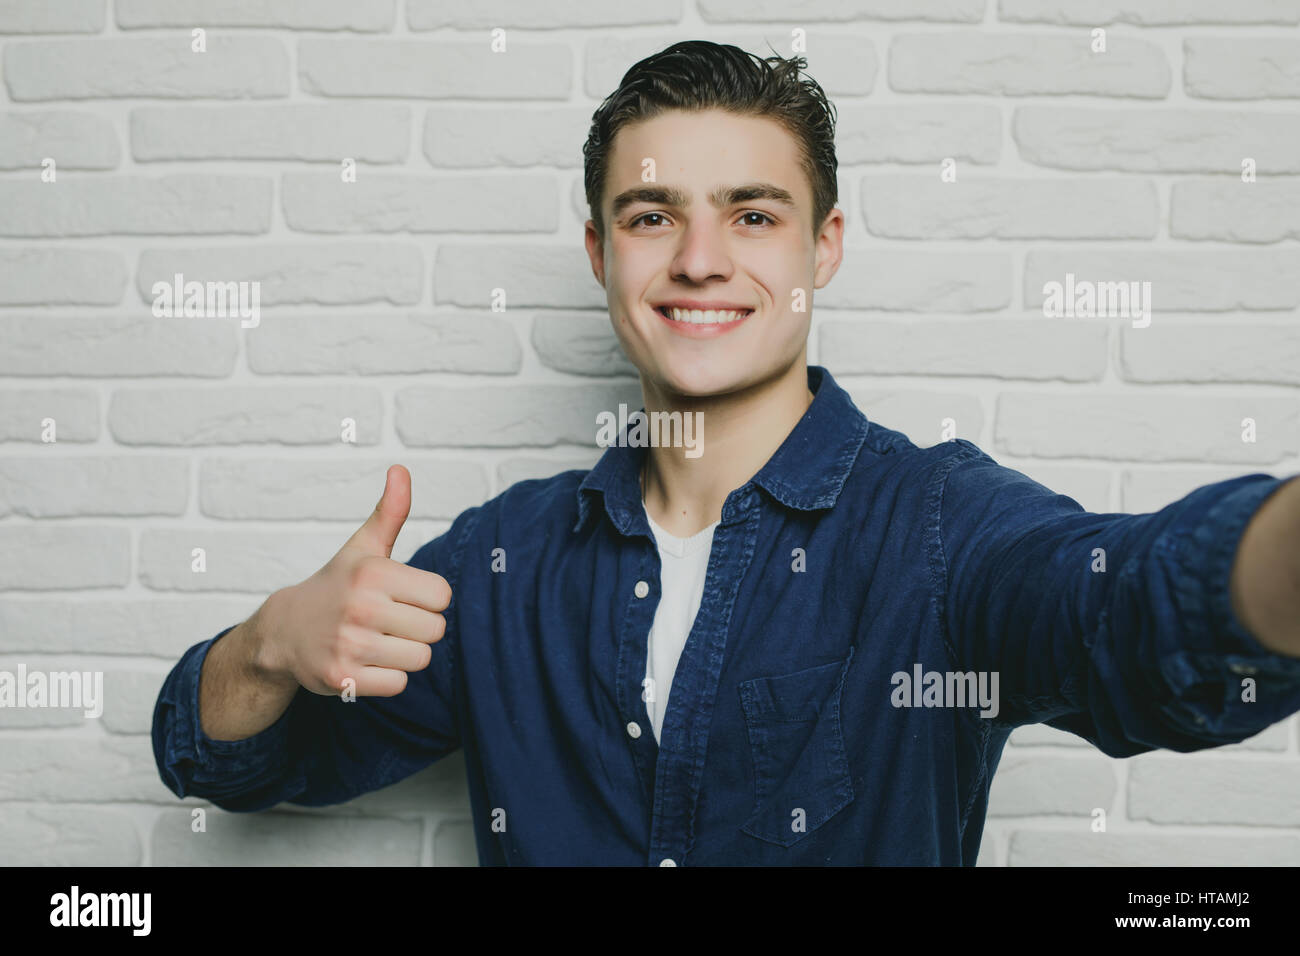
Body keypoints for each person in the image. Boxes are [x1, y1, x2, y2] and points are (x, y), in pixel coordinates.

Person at [152, 40, 1300, 866]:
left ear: (824, 245)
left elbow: (1135, 618)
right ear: (601, 251)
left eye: (752, 214)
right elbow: (236, 768)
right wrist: (263, 644)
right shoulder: (504, 558)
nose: (701, 258)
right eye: (654, 217)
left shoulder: (939, 526)